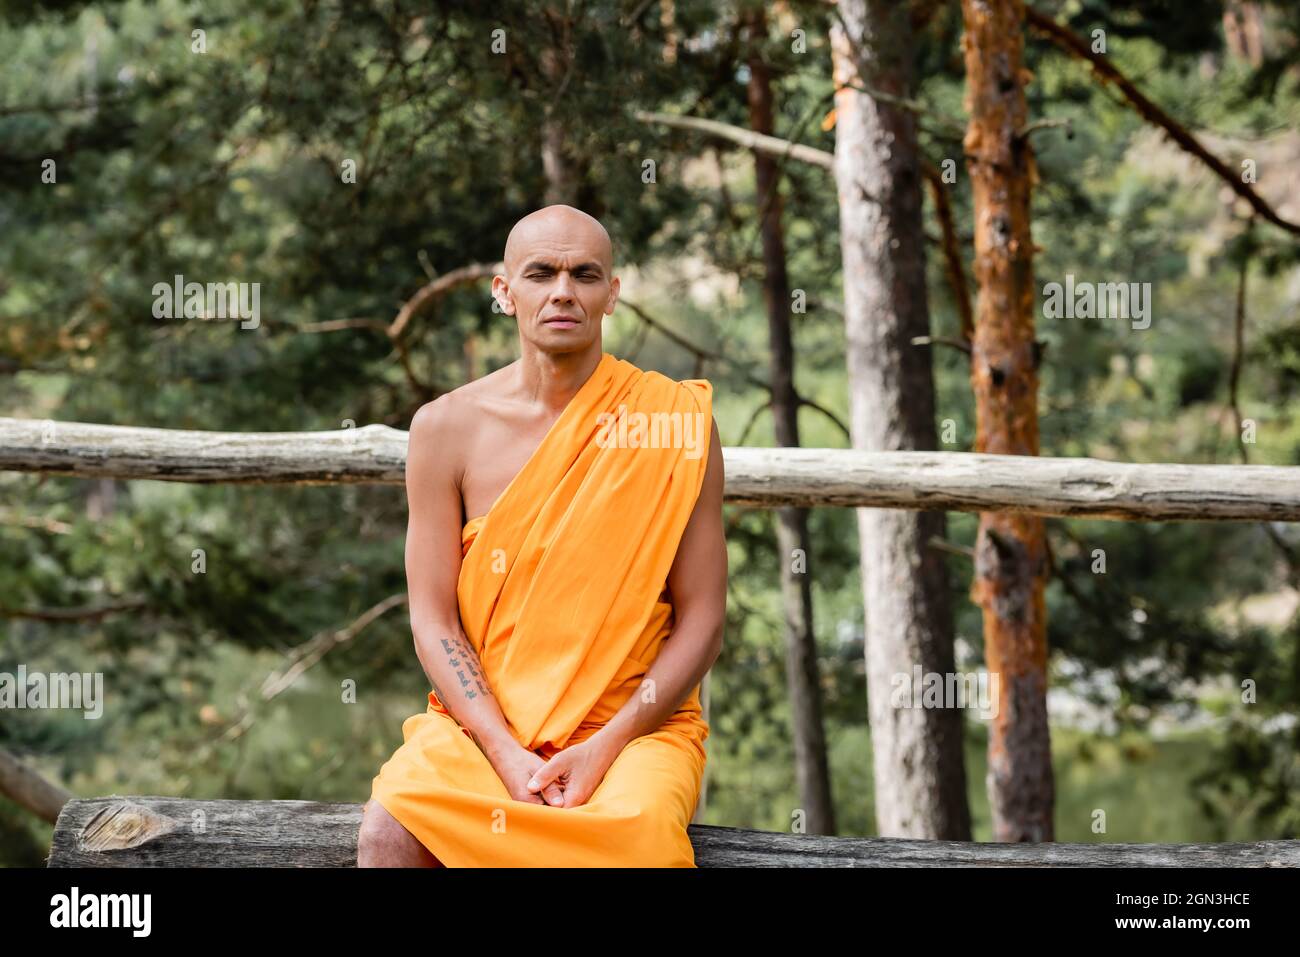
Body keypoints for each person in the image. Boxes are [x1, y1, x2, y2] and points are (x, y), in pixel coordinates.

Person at [357, 204, 727, 867]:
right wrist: (502, 747)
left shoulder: (672, 422)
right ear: (505, 292)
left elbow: (703, 617)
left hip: (635, 730)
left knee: (637, 835)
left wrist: (607, 744)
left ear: (611, 293)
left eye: (584, 274)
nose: (563, 291)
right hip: (481, 725)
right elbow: (434, 619)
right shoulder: (445, 429)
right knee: (391, 829)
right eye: (540, 273)